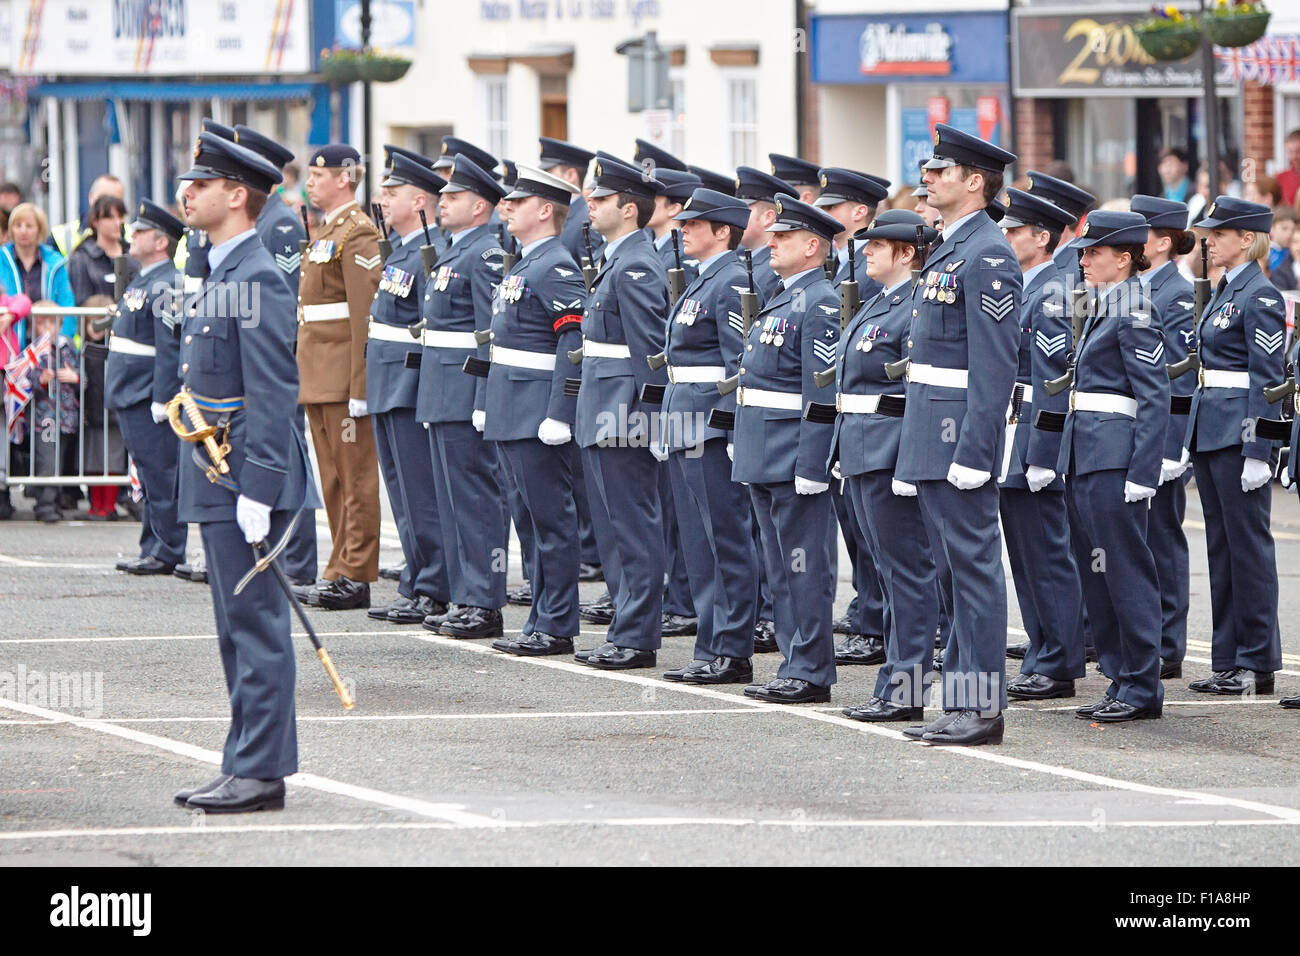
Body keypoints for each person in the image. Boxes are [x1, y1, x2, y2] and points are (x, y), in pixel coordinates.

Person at [171, 131, 312, 813]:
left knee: (254, 626)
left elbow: (271, 390)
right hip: (214, 472)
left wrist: (258, 487)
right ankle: (244, 761)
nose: (185, 193)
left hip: (246, 480)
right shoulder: (222, 270)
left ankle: (260, 773)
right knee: (235, 627)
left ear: (237, 195)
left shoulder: (255, 274)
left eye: (200, 184)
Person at [896, 125, 1020, 746]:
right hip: (929, 431)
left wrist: (976, 448)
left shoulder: (988, 252)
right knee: (950, 572)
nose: (929, 178)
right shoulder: (951, 246)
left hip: (958, 440)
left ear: (975, 181)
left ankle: (982, 707)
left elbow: (994, 365)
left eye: (940, 170)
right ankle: (962, 701)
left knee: (973, 570)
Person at [1058, 211, 1169, 722]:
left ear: (1123, 259)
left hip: (1115, 457)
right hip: (1088, 453)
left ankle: (1143, 684)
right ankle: (1120, 675)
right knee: (1097, 571)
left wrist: (1143, 472)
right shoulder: (1109, 303)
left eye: (1094, 252)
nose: (1084, 259)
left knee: (1125, 571)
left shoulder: (1135, 307)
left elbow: (1154, 395)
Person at [833, 210, 941, 722]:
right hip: (862, 451)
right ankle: (895, 683)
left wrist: (906, 462)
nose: (866, 251)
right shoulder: (881, 303)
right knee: (889, 572)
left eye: (879, 244)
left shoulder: (915, 306)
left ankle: (908, 688)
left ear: (907, 253)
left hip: (889, 452)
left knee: (908, 576)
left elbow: (913, 393)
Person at [734, 196, 842, 704]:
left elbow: (820, 391)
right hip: (763, 445)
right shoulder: (784, 296)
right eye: (772, 235)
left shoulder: (819, 301)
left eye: (784, 237)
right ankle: (793, 660)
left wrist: (813, 462)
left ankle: (812, 669)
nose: (771, 243)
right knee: (778, 567)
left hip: (792, 451)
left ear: (812, 246)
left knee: (804, 565)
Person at [482, 165, 586, 657]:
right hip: (511, 408)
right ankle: (541, 616)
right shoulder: (525, 263)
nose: (506, 207)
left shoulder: (555, 265)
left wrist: (561, 410)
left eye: (516, 202)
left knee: (551, 521)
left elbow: (573, 340)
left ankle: (558, 622)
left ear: (545, 211)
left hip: (535, 413)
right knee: (528, 522)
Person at [655, 188, 758, 684]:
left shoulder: (731, 279)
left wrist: (728, 428)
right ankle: (709, 644)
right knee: (698, 543)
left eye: (696, 224)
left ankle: (733, 648)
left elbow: (741, 365)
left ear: (723, 231)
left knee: (726, 539)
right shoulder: (703, 280)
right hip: (683, 424)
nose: (685, 230)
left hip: (710, 432)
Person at [1184, 197, 1285, 697]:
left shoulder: (1258, 296)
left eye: (1219, 234)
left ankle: (1257, 662)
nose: (1210, 241)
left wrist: (1258, 450)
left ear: (1247, 238)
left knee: (1249, 551)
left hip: (1237, 433)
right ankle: (1228, 658)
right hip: (1211, 429)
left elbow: (1266, 381)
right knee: (1222, 548)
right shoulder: (1226, 291)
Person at [997, 188, 1088, 701]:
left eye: (1016, 231)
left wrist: (1044, 451)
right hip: (1015, 427)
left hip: (1035, 429)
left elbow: (1055, 378)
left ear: (1042, 237)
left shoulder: (1054, 289)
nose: (1006, 238)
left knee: (1047, 552)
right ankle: (1042, 650)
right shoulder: (1029, 286)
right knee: (1026, 553)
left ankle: (1058, 661)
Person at [292, 144, 383, 611]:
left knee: (355, 478)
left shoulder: (357, 233)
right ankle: (339, 566)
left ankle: (356, 572)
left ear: (344, 179)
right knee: (332, 480)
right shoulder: (329, 230)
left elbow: (363, 315)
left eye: (317, 175)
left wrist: (362, 386)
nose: (310, 182)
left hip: (344, 377)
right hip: (319, 373)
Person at [229, 124, 320, 589]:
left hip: (277, 354)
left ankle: (299, 561)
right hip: (256, 355)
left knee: (287, 454)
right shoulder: (259, 221)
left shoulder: (280, 222)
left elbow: (283, 297)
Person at [814, 168, 889, 666]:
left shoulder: (871, 267)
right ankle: (869, 611)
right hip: (846, 414)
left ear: (859, 213)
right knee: (855, 526)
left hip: (873, 415)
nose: (822, 216)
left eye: (832, 208)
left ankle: (879, 622)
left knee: (877, 533)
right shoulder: (842, 264)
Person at [1132, 195, 1198, 678]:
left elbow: (1179, 374)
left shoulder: (1174, 291)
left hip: (1160, 435)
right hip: (1130, 427)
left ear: (1161, 242)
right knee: (1137, 539)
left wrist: (1172, 446)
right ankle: (1144, 635)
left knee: (1163, 538)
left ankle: (1168, 644)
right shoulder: (1135, 287)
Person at [106, 200, 187, 573]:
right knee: (147, 473)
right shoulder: (144, 278)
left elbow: (169, 348)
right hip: (130, 389)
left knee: (160, 473)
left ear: (160, 241)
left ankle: (169, 549)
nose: (131, 235)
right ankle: (152, 545)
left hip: (144, 393)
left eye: (139, 231)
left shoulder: (168, 282)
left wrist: (162, 398)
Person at [24, 301, 79, 522]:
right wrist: (40, 379)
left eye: (51, 322)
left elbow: (82, 378)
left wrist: (75, 378)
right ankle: (45, 504)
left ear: (60, 324)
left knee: (61, 460)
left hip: (66, 416)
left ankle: (55, 500)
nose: (46, 327)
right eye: (41, 323)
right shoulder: (32, 350)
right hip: (43, 417)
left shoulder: (68, 347)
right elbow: (24, 381)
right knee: (46, 460)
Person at [78, 294, 128, 520]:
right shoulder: (84, 351)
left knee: (113, 462)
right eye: (92, 321)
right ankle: (95, 505)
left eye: (101, 321)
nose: (96, 327)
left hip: (114, 415)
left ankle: (108, 506)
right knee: (93, 462)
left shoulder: (118, 350)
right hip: (92, 414)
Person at [0, 203, 75, 345]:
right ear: (11, 230)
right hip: (8, 349)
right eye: (18, 225)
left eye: (29, 226)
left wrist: (59, 344)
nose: (23, 231)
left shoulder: (56, 263)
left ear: (39, 230)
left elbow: (67, 307)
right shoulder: (1, 259)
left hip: (47, 350)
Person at [67, 194, 139, 304]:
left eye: (120, 216)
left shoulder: (134, 253)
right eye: (110, 217)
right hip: (98, 320)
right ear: (95, 222)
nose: (118, 223)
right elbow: (81, 303)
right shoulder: (81, 259)